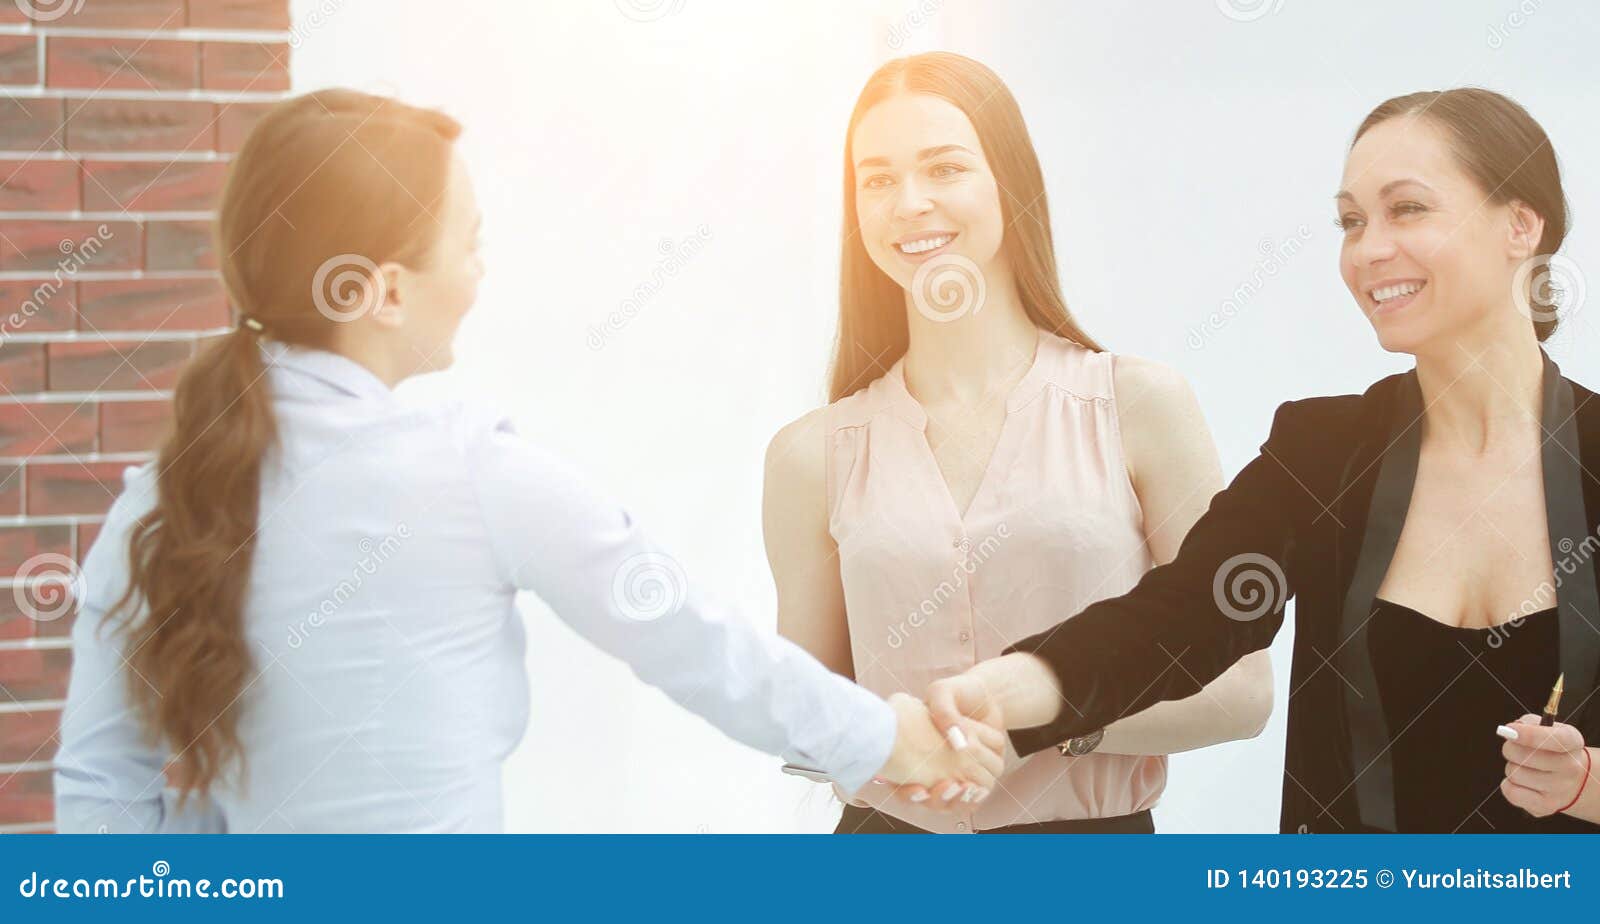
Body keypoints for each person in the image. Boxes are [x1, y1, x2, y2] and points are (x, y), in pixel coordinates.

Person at [52, 89, 1003, 834]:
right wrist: (893, 741)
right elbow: (691, 640)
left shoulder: (155, 503)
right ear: (383, 291)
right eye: (468, 245)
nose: (478, 274)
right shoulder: (469, 475)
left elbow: (100, 803)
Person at [918, 88, 1600, 833]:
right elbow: (1176, 621)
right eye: (1351, 221)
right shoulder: (1323, 450)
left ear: (1521, 225)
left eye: (1407, 209)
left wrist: (1586, 784)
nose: (1369, 250)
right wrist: (1007, 689)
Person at [764, 52, 1272, 834]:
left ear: (1009, 182)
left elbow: (1240, 691)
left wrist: (1048, 717)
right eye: (876, 179)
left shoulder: (1138, 405)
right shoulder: (811, 456)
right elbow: (803, 719)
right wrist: (888, 743)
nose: (909, 203)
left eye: (944, 167)